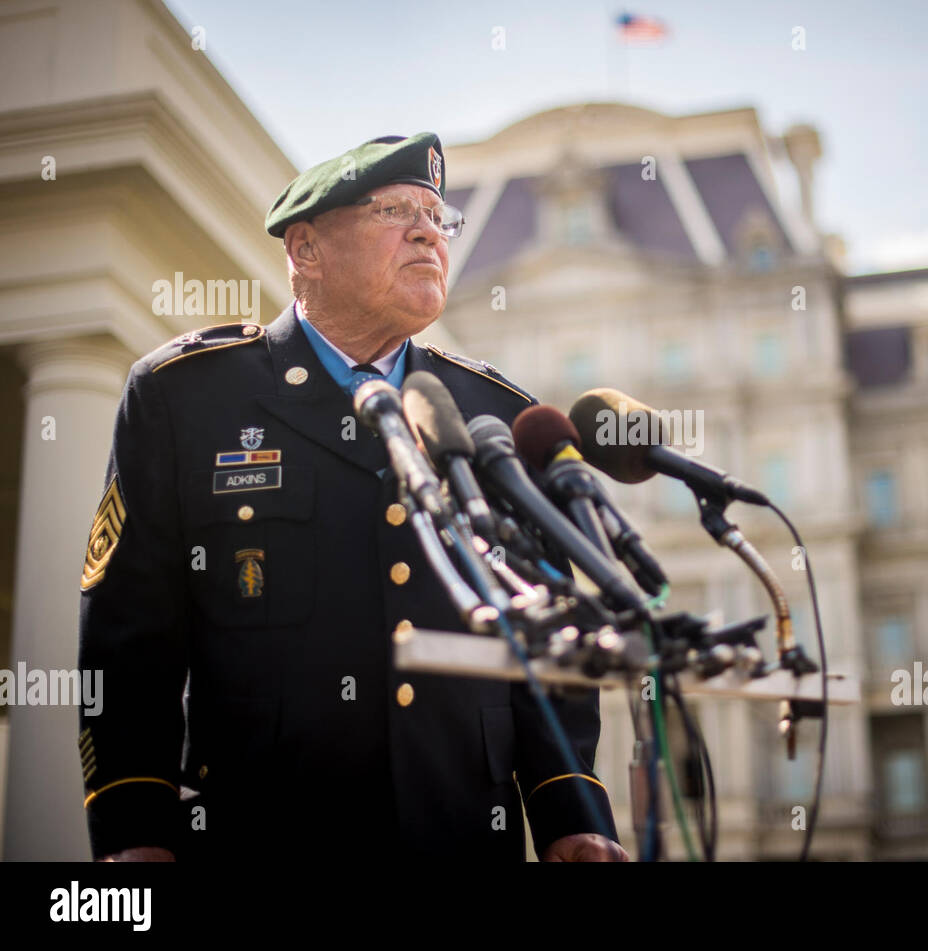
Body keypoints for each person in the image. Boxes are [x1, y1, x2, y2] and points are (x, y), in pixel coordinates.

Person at [76, 132, 628, 862]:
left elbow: (548, 636)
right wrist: (134, 829)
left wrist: (571, 813)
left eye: (439, 216)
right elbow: (127, 642)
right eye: (396, 209)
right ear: (306, 250)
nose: (428, 229)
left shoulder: (496, 413)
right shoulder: (185, 397)